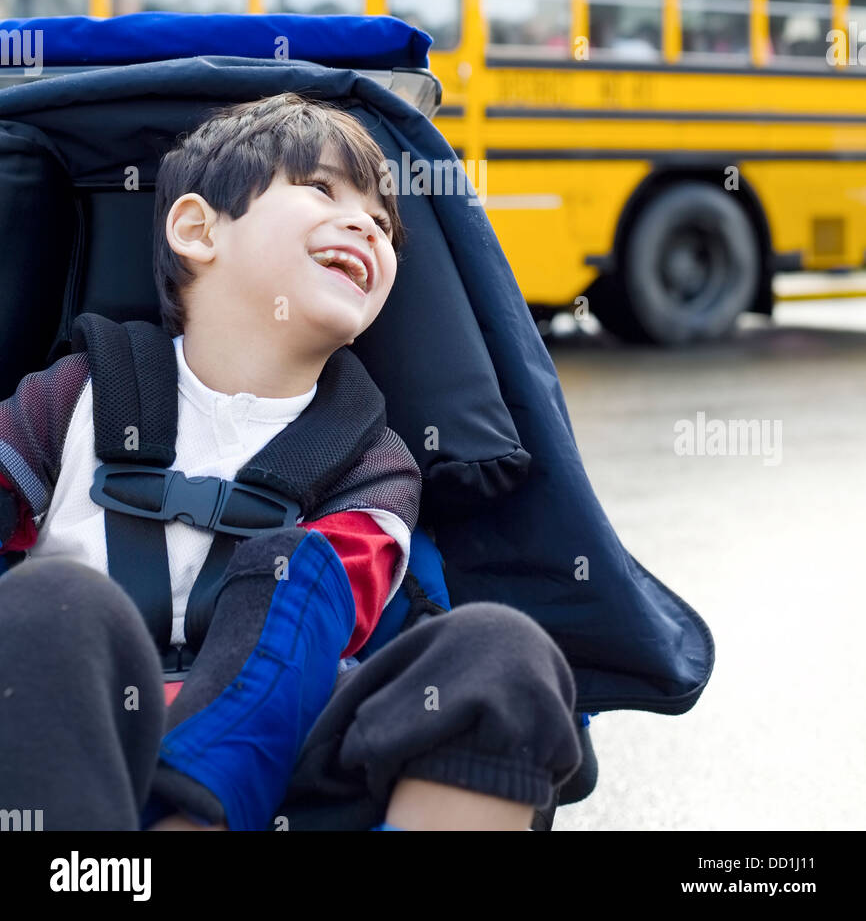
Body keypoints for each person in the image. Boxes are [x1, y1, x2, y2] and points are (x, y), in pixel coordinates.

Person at [0, 92, 581, 832]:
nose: (366, 223)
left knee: (499, 652)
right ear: (196, 229)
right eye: (321, 188)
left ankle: (195, 811)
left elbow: (317, 624)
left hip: (283, 772)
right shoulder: (74, 396)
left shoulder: (374, 463)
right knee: (55, 603)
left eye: (383, 222)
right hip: (79, 759)